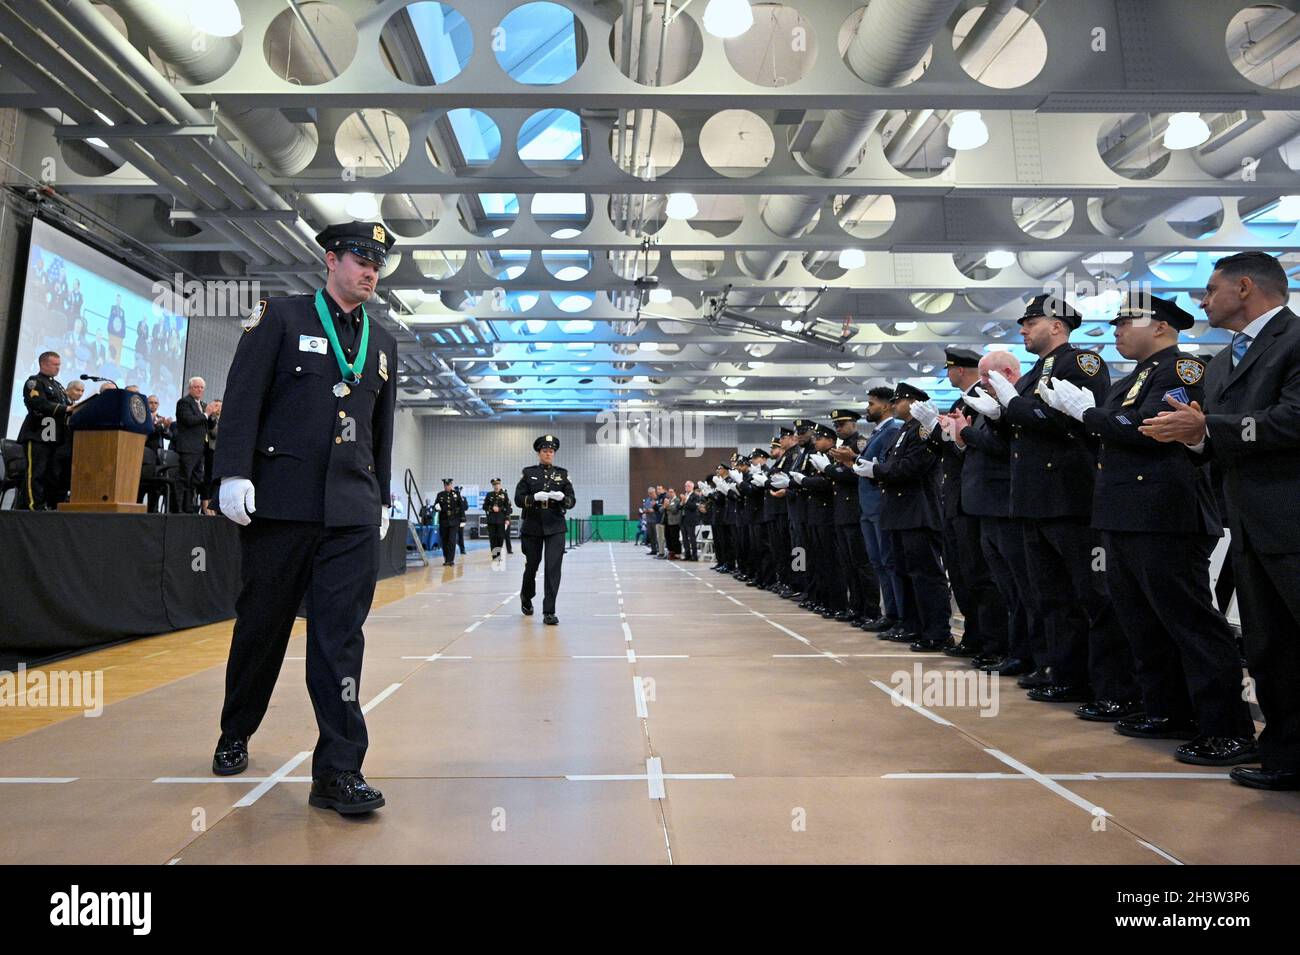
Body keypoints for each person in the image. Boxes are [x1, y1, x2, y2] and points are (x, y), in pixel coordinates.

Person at [210, 219, 397, 815]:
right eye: (361, 258)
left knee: (340, 640)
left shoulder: (384, 342)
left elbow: (379, 427)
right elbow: (242, 397)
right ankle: (236, 728)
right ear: (330, 259)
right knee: (261, 627)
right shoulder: (281, 318)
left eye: (378, 262)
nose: (370, 270)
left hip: (351, 512)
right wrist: (232, 472)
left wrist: (382, 495)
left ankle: (338, 771)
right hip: (282, 504)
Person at [1042, 292, 1255, 761]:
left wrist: (1088, 414)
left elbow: (1150, 427)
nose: (1115, 330)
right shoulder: (1132, 378)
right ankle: (1167, 710)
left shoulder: (1182, 370)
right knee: (1142, 622)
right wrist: (1083, 417)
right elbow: (1116, 427)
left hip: (1165, 514)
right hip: (1126, 514)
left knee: (1190, 623)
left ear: (1159, 326)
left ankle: (1228, 728)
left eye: (1125, 322)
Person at [1141, 251, 1300, 790]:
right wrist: (1192, 436)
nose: (1203, 300)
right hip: (1249, 523)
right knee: (1269, 646)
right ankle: (1285, 756)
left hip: (1291, 518)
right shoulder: (1223, 359)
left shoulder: (1295, 341)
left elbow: (1293, 420)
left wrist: (1211, 429)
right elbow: (1215, 436)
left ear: (1246, 287)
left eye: (1210, 289)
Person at [982, 293, 1137, 708]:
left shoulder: (1080, 362)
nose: (1023, 329)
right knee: (1051, 597)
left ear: (1056, 324)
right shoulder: (1037, 371)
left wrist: (1014, 406)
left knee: (1091, 596)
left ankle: (1109, 686)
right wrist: (1001, 416)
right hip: (1036, 500)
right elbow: (1024, 432)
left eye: (1030, 322)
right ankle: (1065, 674)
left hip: (1070, 496)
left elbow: (1071, 421)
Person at [944, 351, 1038, 676]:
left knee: (1014, 585)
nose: (981, 384)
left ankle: (1021, 652)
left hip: (1003, 504)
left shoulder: (1008, 407)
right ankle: (1014, 650)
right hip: (984, 506)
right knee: (1004, 585)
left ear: (1008, 374)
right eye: (981, 377)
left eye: (987, 377)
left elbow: (1002, 448)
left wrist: (966, 434)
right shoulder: (990, 407)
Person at [918, 347, 1007, 661]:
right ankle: (974, 635)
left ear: (961, 370)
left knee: (981, 576)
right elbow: (949, 451)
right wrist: (934, 429)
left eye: (950, 368)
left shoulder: (983, 401)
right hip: (957, 498)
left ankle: (991, 641)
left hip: (974, 499)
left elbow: (969, 449)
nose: (947, 374)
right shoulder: (962, 402)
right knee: (961, 574)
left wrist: (956, 435)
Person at [858, 383, 952, 652]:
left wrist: (877, 471)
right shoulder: (903, 431)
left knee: (926, 576)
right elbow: (894, 465)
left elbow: (912, 467)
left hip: (918, 512)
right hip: (899, 513)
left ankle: (936, 631)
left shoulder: (922, 430)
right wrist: (878, 471)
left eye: (899, 401)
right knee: (904, 573)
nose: (895, 405)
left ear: (914, 403)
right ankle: (912, 624)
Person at [856, 390, 904, 634]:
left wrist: (853, 460)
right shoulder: (878, 431)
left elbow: (885, 464)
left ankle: (898, 615)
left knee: (889, 562)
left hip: (879, 504)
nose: (868, 407)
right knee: (878, 562)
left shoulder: (892, 430)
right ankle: (890, 614)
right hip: (868, 506)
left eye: (871, 404)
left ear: (886, 407)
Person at [515, 434, 575, 625]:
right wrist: (533, 498)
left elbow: (572, 500)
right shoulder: (528, 473)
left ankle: (549, 611)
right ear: (539, 453)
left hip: (555, 525)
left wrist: (562, 498)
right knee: (532, 565)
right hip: (533, 524)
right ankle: (526, 595)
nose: (548, 454)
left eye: (551, 451)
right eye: (545, 451)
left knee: (553, 568)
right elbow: (518, 499)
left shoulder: (563, 474)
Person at [16, 351, 71, 510]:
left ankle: (47, 505)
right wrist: (66, 409)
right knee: (36, 473)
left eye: (59, 365)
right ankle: (34, 507)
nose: (58, 368)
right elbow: (38, 404)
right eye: (55, 365)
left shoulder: (58, 385)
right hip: (38, 434)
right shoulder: (34, 382)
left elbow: (65, 404)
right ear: (43, 364)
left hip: (54, 437)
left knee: (51, 475)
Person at [173, 377, 214, 513]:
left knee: (195, 480)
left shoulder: (202, 404)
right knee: (184, 478)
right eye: (196, 387)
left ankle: (188, 507)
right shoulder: (184, 403)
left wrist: (211, 416)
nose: (199, 390)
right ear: (190, 388)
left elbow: (209, 425)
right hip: (188, 448)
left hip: (200, 449)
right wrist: (206, 414)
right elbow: (189, 420)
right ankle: (177, 508)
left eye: (202, 387)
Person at [433, 478, 463, 566]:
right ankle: (446, 558)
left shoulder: (457, 494)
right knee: (444, 541)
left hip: (454, 521)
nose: (447, 486)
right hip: (444, 521)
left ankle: (451, 560)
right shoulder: (440, 495)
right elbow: (435, 505)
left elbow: (461, 507)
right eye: (445, 485)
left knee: (452, 540)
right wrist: (436, 507)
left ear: (451, 485)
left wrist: (463, 519)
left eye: (448, 485)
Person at [483, 477, 513, 560]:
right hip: (491, 520)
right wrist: (491, 508)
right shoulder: (489, 495)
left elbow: (507, 508)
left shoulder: (504, 494)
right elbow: (484, 506)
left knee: (500, 538)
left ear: (500, 485)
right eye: (495, 484)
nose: (496, 486)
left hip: (501, 520)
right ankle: (495, 556)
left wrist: (507, 518)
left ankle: (498, 554)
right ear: (493, 486)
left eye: (498, 484)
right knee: (492, 539)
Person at [680, 480, 702, 561]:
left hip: (691, 520)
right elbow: (679, 508)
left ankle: (694, 556)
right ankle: (687, 554)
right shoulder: (684, 495)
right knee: (685, 538)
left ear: (692, 487)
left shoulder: (695, 496)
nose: (686, 487)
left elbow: (694, 507)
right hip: (683, 520)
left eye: (688, 486)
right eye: (685, 486)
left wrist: (686, 501)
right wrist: (682, 502)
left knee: (692, 538)